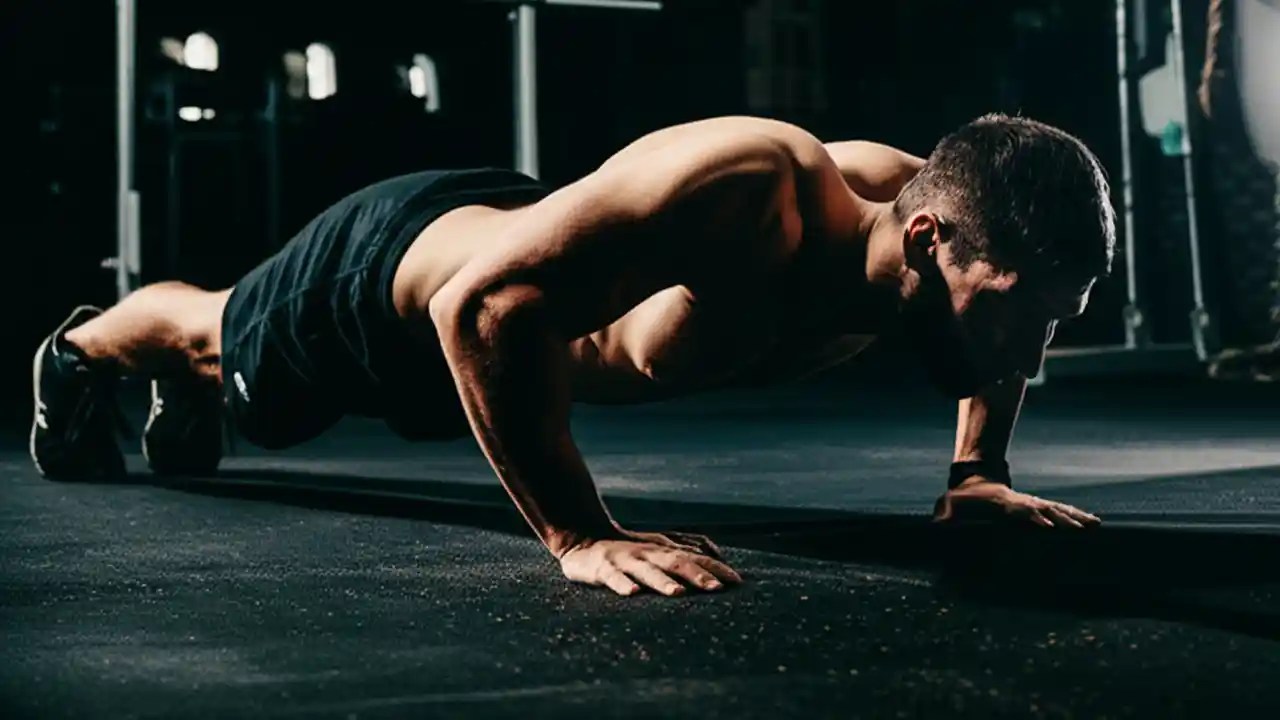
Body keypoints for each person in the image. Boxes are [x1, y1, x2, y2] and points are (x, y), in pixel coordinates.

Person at [31, 114, 1111, 597]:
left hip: (511, 309)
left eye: (1052, 320)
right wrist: (576, 535)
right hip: (391, 282)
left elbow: (1004, 334)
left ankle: (181, 382)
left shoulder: (951, 240)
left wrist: (977, 477)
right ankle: (80, 351)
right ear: (926, 242)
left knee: (257, 405)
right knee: (218, 337)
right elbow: (478, 306)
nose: (1030, 347)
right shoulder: (755, 191)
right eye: (1020, 312)